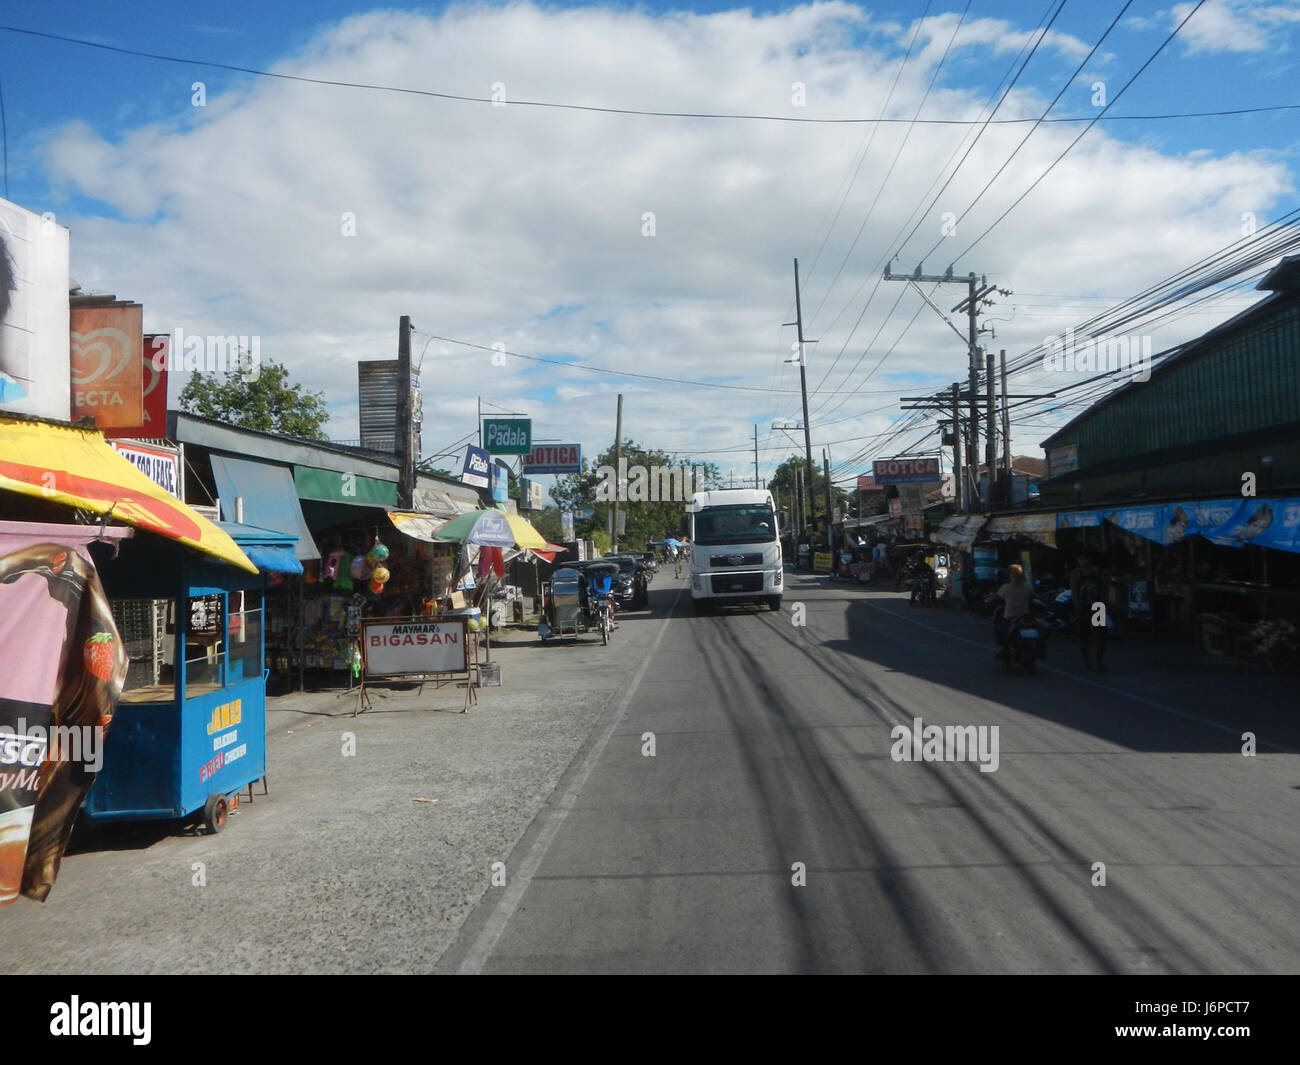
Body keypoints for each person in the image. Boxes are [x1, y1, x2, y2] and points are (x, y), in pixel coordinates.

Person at [1070, 554, 1108, 671]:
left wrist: (1103, 602)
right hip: (1083, 606)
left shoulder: (1096, 571)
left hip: (1097, 605)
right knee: (1084, 635)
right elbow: (1074, 590)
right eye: (1080, 559)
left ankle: (1099, 660)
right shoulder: (1076, 573)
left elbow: (1103, 587)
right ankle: (1086, 660)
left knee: (1100, 634)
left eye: (1084, 558)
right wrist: (1076, 604)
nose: (1082, 561)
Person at [993, 563, 1034, 658]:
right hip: (1025, 616)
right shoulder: (1026, 587)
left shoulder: (1006, 587)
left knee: (998, 628)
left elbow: (995, 597)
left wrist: (987, 600)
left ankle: (1000, 647)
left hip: (1010, 616)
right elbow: (1033, 596)